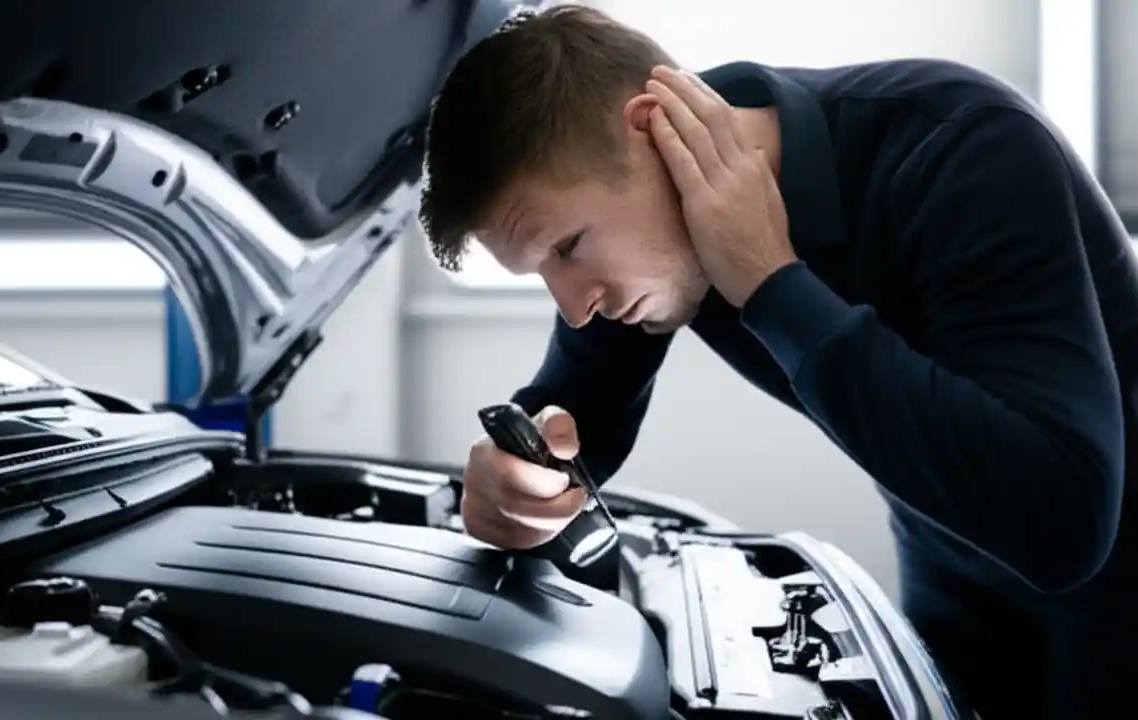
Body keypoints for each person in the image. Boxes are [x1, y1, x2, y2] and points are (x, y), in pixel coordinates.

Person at [416, 4, 1136, 718]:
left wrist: (769, 279)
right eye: (542, 270)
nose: (575, 306)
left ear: (651, 130)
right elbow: (579, 415)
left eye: (568, 247)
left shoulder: (967, 147)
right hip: (946, 542)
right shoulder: (661, 224)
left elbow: (1065, 528)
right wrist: (513, 484)